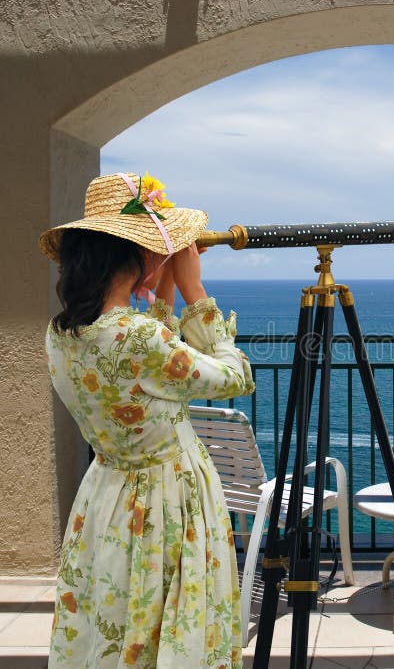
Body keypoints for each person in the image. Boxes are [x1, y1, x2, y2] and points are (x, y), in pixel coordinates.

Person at [39, 172, 254, 668]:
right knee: (168, 619)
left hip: (107, 494)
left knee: (119, 615)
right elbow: (234, 373)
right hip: (166, 498)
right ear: (141, 254)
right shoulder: (139, 339)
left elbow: (145, 367)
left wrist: (162, 294)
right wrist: (195, 289)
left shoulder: (63, 333)